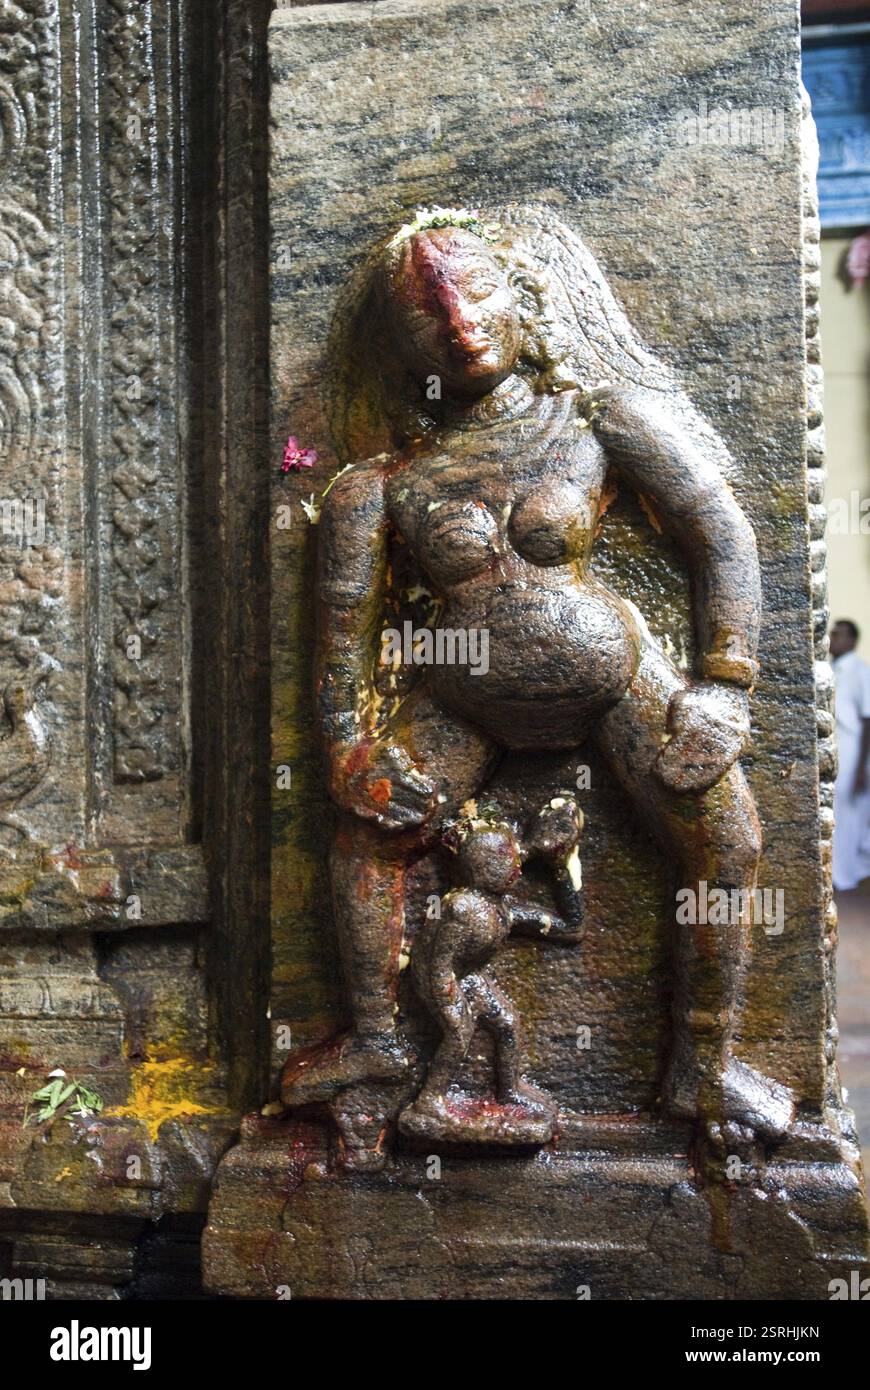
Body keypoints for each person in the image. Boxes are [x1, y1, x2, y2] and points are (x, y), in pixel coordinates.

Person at [283, 204, 793, 1146]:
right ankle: (379, 1042)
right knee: (365, 839)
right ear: (400, 347)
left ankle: (705, 1066)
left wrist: (726, 685)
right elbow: (340, 644)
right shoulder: (382, 484)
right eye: (427, 314)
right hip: (463, 693)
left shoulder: (598, 423)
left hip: (614, 679)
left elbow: (720, 533)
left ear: (523, 298)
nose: (461, 325)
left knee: (727, 839)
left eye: (477, 293)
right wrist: (347, 748)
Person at [831, 619, 870, 890]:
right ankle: (836, 873)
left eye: (839, 635)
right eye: (832, 633)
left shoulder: (860, 671)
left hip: (852, 752)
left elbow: (868, 719)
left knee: (847, 814)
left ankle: (845, 877)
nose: (833, 639)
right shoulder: (831, 669)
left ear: (852, 641)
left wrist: (861, 767)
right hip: (837, 748)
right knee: (836, 812)